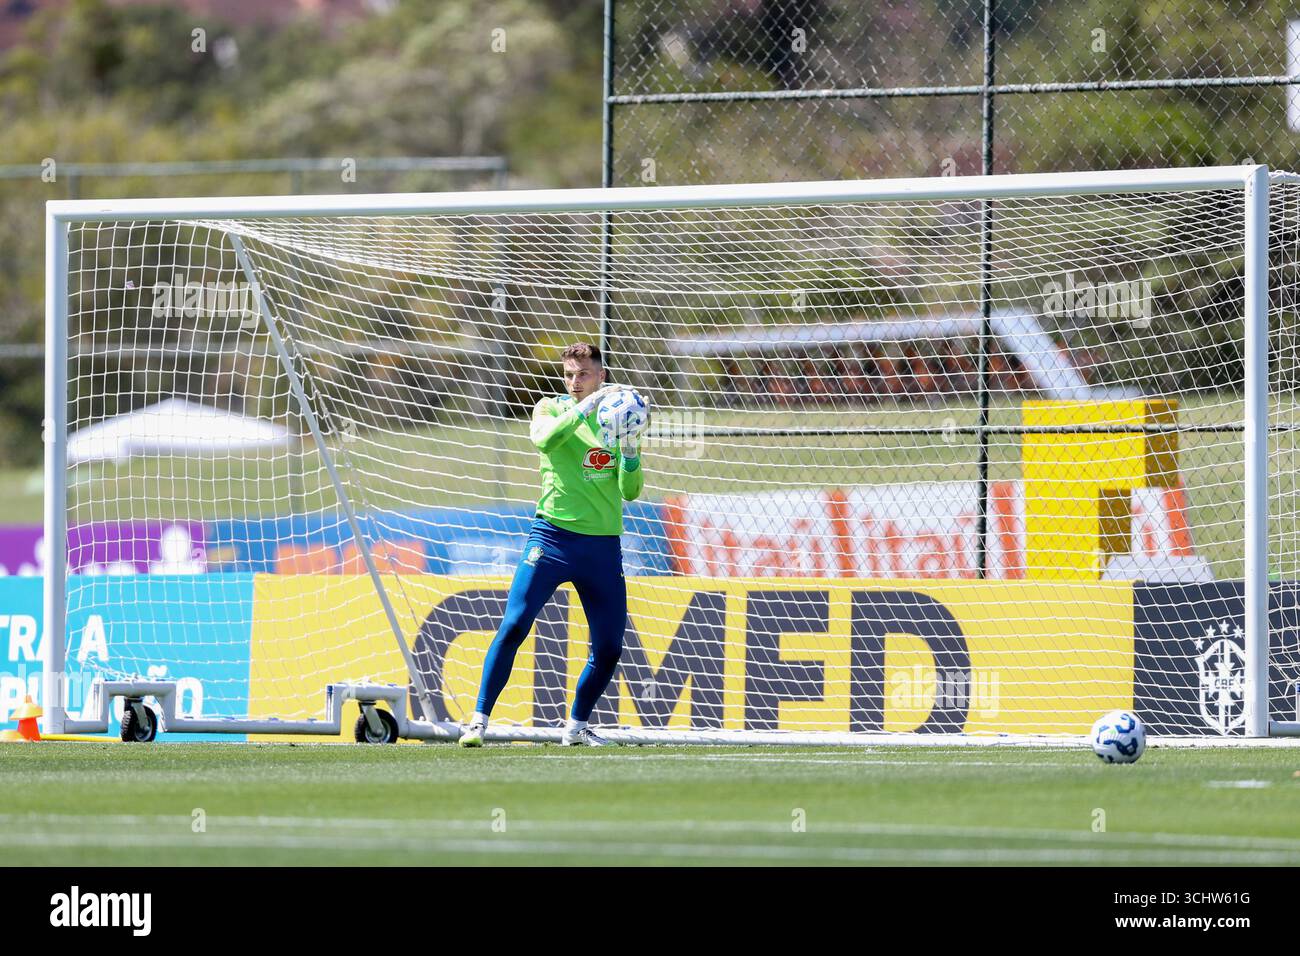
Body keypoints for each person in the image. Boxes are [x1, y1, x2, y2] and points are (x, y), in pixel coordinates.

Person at [459, 342, 647, 747]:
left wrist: (629, 449)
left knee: (611, 647)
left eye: (584, 375)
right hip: (552, 539)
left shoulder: (616, 422)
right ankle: (478, 721)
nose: (575, 382)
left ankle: (576, 728)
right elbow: (546, 441)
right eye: (569, 375)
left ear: (601, 376)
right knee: (514, 624)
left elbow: (630, 491)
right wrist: (587, 406)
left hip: (601, 548)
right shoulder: (549, 408)